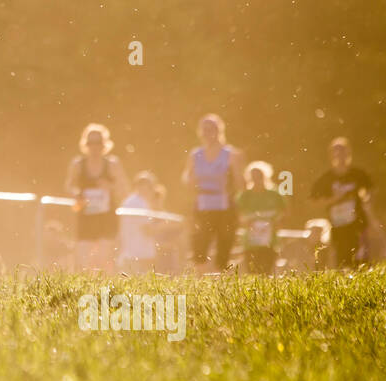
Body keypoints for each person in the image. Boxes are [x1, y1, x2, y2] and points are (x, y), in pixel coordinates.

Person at [180, 113, 245, 271]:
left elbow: (241, 183)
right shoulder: (195, 155)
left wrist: (240, 205)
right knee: (199, 246)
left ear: (219, 131)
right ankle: (200, 282)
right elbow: (187, 180)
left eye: (211, 129)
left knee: (224, 246)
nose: (208, 133)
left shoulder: (231, 154)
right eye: (204, 129)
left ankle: (221, 283)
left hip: (225, 207)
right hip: (202, 206)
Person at [65, 123, 128, 273]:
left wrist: (110, 187)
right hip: (85, 215)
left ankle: (106, 289)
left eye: (98, 142)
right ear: (85, 144)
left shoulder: (112, 164)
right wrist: (76, 194)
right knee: (83, 257)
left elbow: (125, 189)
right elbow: (68, 186)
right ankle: (85, 289)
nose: (94, 147)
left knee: (104, 256)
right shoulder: (77, 165)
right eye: (91, 143)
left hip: (106, 216)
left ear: (104, 144)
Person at [308, 137, 373, 269]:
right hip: (337, 223)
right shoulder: (326, 178)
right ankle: (345, 283)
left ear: (349, 153)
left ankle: (362, 282)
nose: (340, 156)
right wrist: (335, 199)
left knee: (361, 255)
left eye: (343, 152)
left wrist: (366, 202)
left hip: (358, 221)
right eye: (336, 152)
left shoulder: (358, 174)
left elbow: (371, 192)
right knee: (342, 257)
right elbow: (312, 201)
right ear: (331, 155)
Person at [236, 161, 287, 274]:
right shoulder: (245, 195)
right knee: (252, 269)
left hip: (270, 239)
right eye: (253, 176)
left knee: (267, 268)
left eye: (259, 176)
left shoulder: (274, 194)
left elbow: (284, 212)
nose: (256, 179)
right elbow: (238, 215)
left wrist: (275, 224)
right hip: (250, 240)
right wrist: (247, 222)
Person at [118, 171, 165, 272]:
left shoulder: (134, 201)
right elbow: (148, 230)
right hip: (138, 253)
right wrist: (163, 225)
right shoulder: (137, 203)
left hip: (136, 252)